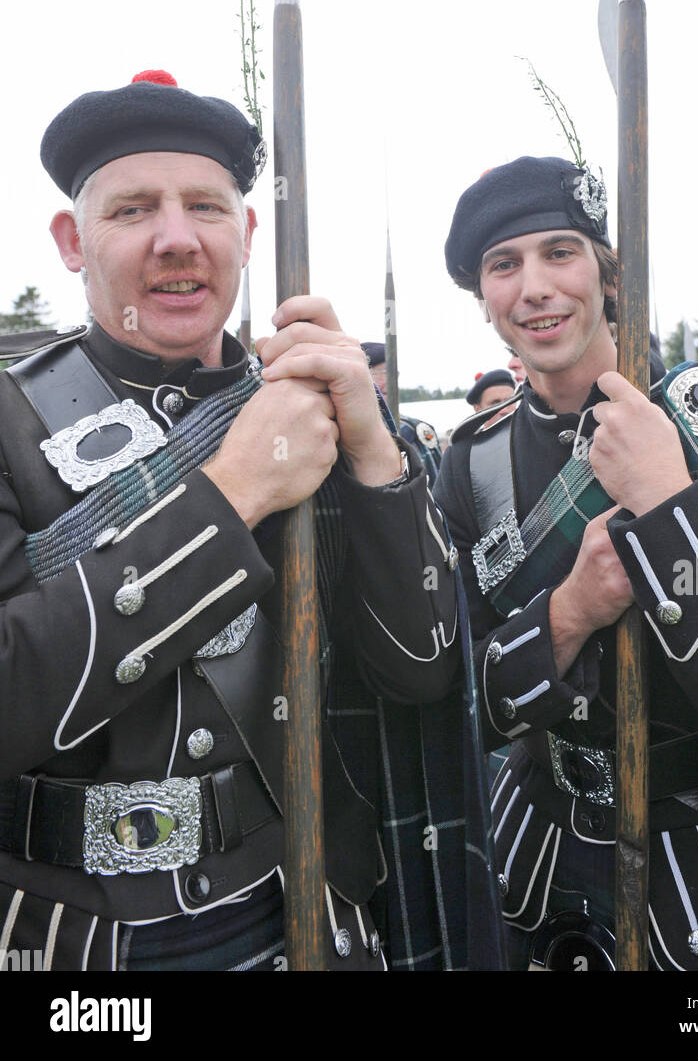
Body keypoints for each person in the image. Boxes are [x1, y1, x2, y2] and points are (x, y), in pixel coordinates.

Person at [0, 71, 502, 973]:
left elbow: (423, 669)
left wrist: (377, 458)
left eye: (206, 206)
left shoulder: (311, 399)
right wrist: (233, 492)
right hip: (76, 939)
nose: (176, 239)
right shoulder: (10, 422)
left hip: (306, 900)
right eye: (132, 211)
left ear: (249, 230)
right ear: (72, 242)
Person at [435, 153, 698, 972]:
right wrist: (570, 612)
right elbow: (462, 705)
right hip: (537, 861)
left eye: (560, 252)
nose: (534, 286)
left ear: (607, 272)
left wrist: (673, 509)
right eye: (504, 265)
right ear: (484, 299)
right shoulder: (472, 466)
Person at [361, 341, 443, 483]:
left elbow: (438, 490)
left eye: (392, 373)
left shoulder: (414, 430)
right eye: (380, 373)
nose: (389, 381)